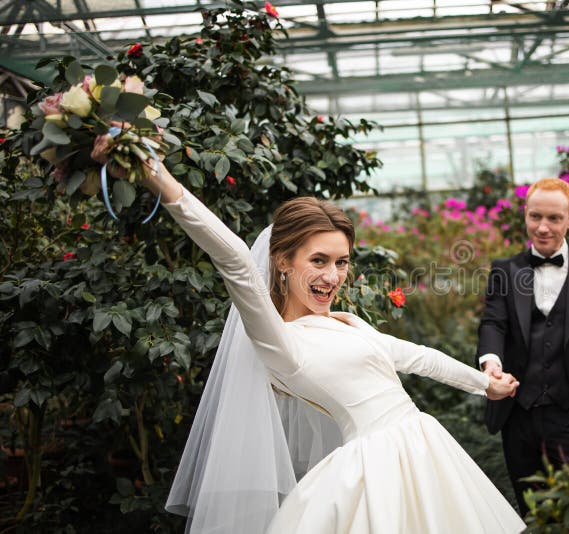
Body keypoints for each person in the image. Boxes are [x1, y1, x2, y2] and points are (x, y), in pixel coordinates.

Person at [91, 136, 526, 533]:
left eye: (341, 262)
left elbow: (420, 358)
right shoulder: (281, 343)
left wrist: (486, 384)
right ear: (282, 261)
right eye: (318, 260)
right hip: (372, 472)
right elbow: (235, 260)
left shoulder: (349, 322)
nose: (332, 275)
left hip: (423, 451)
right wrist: (155, 174)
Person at [476, 178, 569, 515]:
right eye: (535, 217)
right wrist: (490, 362)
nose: (542, 227)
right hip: (519, 418)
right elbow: (493, 323)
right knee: (533, 514)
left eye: (554, 218)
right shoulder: (505, 270)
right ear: (525, 215)